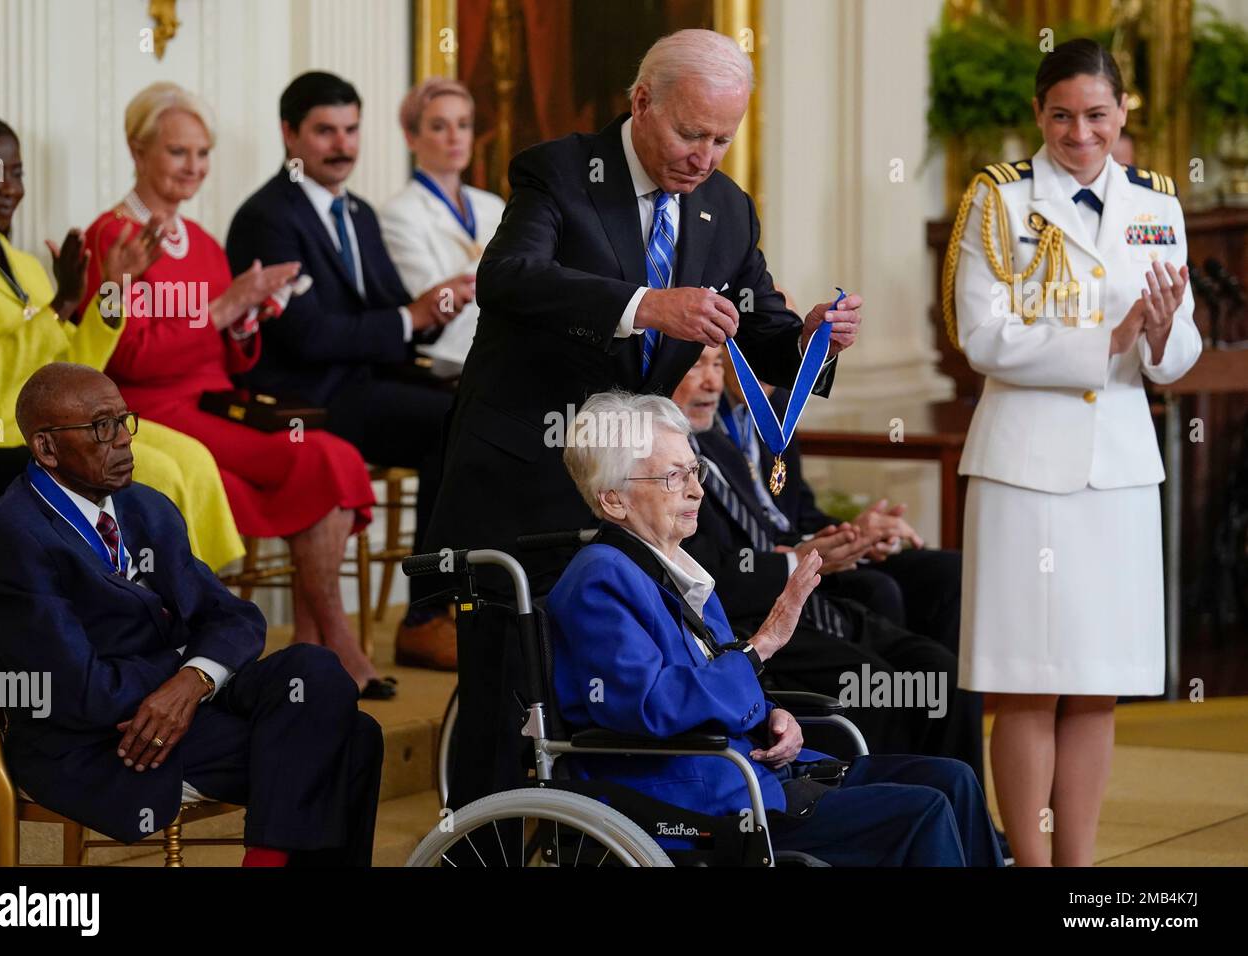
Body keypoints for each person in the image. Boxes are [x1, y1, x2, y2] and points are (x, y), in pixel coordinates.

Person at [426, 28, 862, 810]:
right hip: (525, 480)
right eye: (691, 133)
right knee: (507, 697)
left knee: (625, 696)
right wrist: (643, 307)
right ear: (641, 103)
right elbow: (510, 278)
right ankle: (483, 848)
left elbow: (755, 326)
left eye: (723, 139)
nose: (705, 156)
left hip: (639, 503)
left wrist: (809, 336)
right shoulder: (560, 171)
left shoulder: (725, 209)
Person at [548, 391, 1002, 866]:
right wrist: (761, 645)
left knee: (953, 779)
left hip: (758, 774)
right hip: (697, 803)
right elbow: (650, 707)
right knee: (923, 809)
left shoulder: (674, 565)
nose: (696, 490)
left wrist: (771, 715)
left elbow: (718, 675)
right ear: (613, 499)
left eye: (693, 471)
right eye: (672, 477)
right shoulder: (600, 578)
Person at [944, 38, 1201, 866]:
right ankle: (1032, 862)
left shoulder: (1159, 204)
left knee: (1098, 685)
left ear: (1124, 112)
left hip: (1121, 468)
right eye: (1062, 116)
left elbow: (1182, 349)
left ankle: (1080, 869)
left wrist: (1160, 337)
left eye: (1096, 115)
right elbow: (980, 337)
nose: (1080, 133)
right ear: (1038, 115)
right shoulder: (997, 201)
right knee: (1027, 681)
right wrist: (1108, 336)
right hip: (1025, 470)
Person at [0, 363, 384, 866]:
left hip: (186, 706)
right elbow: (75, 690)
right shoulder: (13, 534)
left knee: (315, 670)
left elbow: (236, 618)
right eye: (102, 427)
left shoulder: (146, 507)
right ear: (47, 448)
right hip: (105, 743)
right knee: (351, 739)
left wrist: (192, 680)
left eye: (125, 421)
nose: (124, 440)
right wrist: (181, 670)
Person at [80, 83, 388, 696]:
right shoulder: (108, 237)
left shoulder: (204, 242)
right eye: (177, 152)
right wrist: (222, 311)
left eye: (202, 153)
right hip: (150, 409)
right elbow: (120, 353)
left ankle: (311, 637)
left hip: (215, 404)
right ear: (138, 150)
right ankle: (337, 640)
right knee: (316, 459)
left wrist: (249, 316)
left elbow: (231, 354)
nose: (193, 167)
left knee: (330, 454)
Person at [227, 72, 473, 671]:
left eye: (351, 130)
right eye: (324, 131)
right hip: (307, 399)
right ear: (288, 133)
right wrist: (409, 316)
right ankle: (424, 617)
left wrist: (437, 308)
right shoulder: (267, 217)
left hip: (366, 384)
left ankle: (468, 607)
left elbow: (394, 315)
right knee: (453, 425)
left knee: (486, 408)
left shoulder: (357, 212)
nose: (342, 145)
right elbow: (306, 336)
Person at [671, 346, 984, 782]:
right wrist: (801, 558)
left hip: (802, 598)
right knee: (884, 686)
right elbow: (703, 574)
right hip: (750, 623)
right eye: (697, 365)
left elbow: (783, 524)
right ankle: (900, 818)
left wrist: (842, 540)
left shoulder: (727, 439)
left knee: (941, 670)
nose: (712, 381)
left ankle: (962, 822)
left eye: (716, 366)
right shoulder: (665, 463)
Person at [0, 114, 245, 572]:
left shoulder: (25, 265)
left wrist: (112, 287)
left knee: (195, 459)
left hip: (62, 422)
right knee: (162, 472)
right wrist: (58, 308)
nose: (9, 187)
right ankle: (162, 606)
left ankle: (199, 597)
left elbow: (77, 369)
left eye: (17, 172)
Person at [378, 77, 506, 373]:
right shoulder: (398, 213)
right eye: (439, 126)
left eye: (463, 125)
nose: (455, 137)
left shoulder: (493, 205)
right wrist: (498, 268)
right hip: (447, 359)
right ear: (411, 138)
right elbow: (439, 308)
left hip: (503, 347)